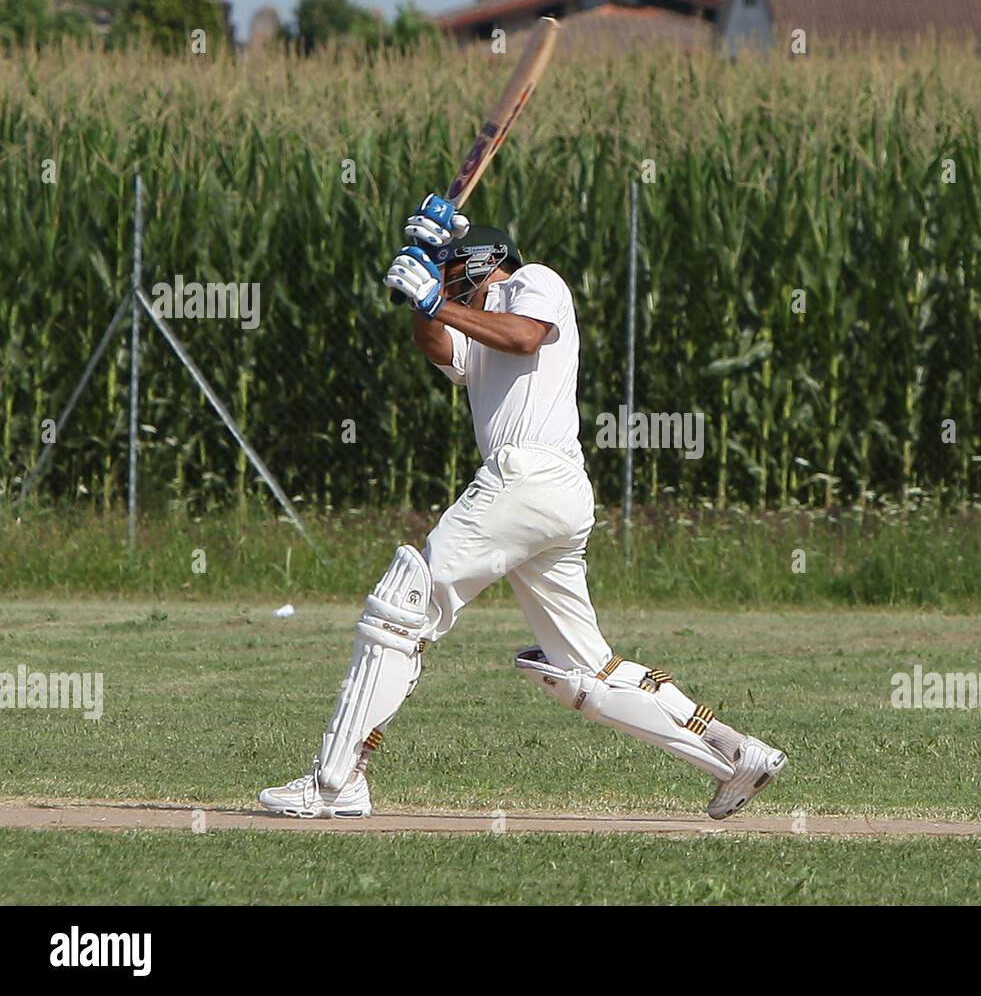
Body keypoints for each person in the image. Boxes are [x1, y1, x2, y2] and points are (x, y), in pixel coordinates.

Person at [258, 194, 786, 820]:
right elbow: (436, 345)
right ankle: (735, 754)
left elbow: (526, 337)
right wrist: (421, 280)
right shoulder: (471, 328)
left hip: (528, 474)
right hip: (550, 493)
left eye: (454, 268)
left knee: (402, 605)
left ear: (485, 263)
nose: (447, 283)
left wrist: (436, 296)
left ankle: (334, 781)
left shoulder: (534, 283)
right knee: (582, 669)